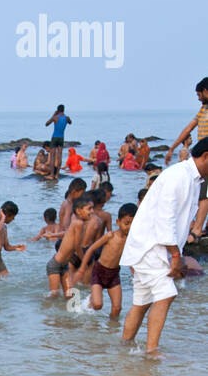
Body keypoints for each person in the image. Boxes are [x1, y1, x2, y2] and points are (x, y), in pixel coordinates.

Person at [121, 138, 208, 354]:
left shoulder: (192, 178)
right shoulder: (179, 175)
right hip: (151, 246)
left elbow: (178, 220)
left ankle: (124, 347)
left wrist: (177, 253)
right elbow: (165, 218)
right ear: (206, 156)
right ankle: (152, 352)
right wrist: (176, 256)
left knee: (142, 302)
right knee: (166, 294)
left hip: (153, 246)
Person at [165, 77, 208, 239]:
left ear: (206, 91)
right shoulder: (203, 109)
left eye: (199, 94)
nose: (198, 98)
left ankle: (197, 229)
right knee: (199, 191)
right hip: (202, 156)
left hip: (206, 158)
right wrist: (172, 147)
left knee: (204, 194)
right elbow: (188, 128)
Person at [79, 203, 136, 318]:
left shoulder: (131, 241)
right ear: (118, 222)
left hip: (114, 274)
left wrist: (135, 274)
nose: (129, 227)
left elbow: (132, 259)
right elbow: (91, 249)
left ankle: (112, 329)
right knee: (98, 305)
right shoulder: (110, 236)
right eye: (126, 223)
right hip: (99, 271)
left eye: (133, 224)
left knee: (117, 308)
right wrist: (82, 269)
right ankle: (90, 301)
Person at [46, 193, 93, 298]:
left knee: (69, 295)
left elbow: (67, 233)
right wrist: (84, 261)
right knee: (54, 295)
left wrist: (53, 234)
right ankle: (41, 307)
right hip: (55, 265)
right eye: (89, 209)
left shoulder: (77, 222)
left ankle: (64, 314)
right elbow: (77, 246)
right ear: (79, 211)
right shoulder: (78, 223)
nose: (92, 211)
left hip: (65, 265)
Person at [45, 104, 71, 179]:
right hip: (61, 138)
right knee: (59, 156)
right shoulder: (67, 118)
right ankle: (57, 175)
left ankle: (52, 174)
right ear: (64, 110)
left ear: (57, 110)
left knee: (52, 156)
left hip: (55, 137)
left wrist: (53, 115)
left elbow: (46, 124)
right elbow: (70, 122)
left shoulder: (55, 117)